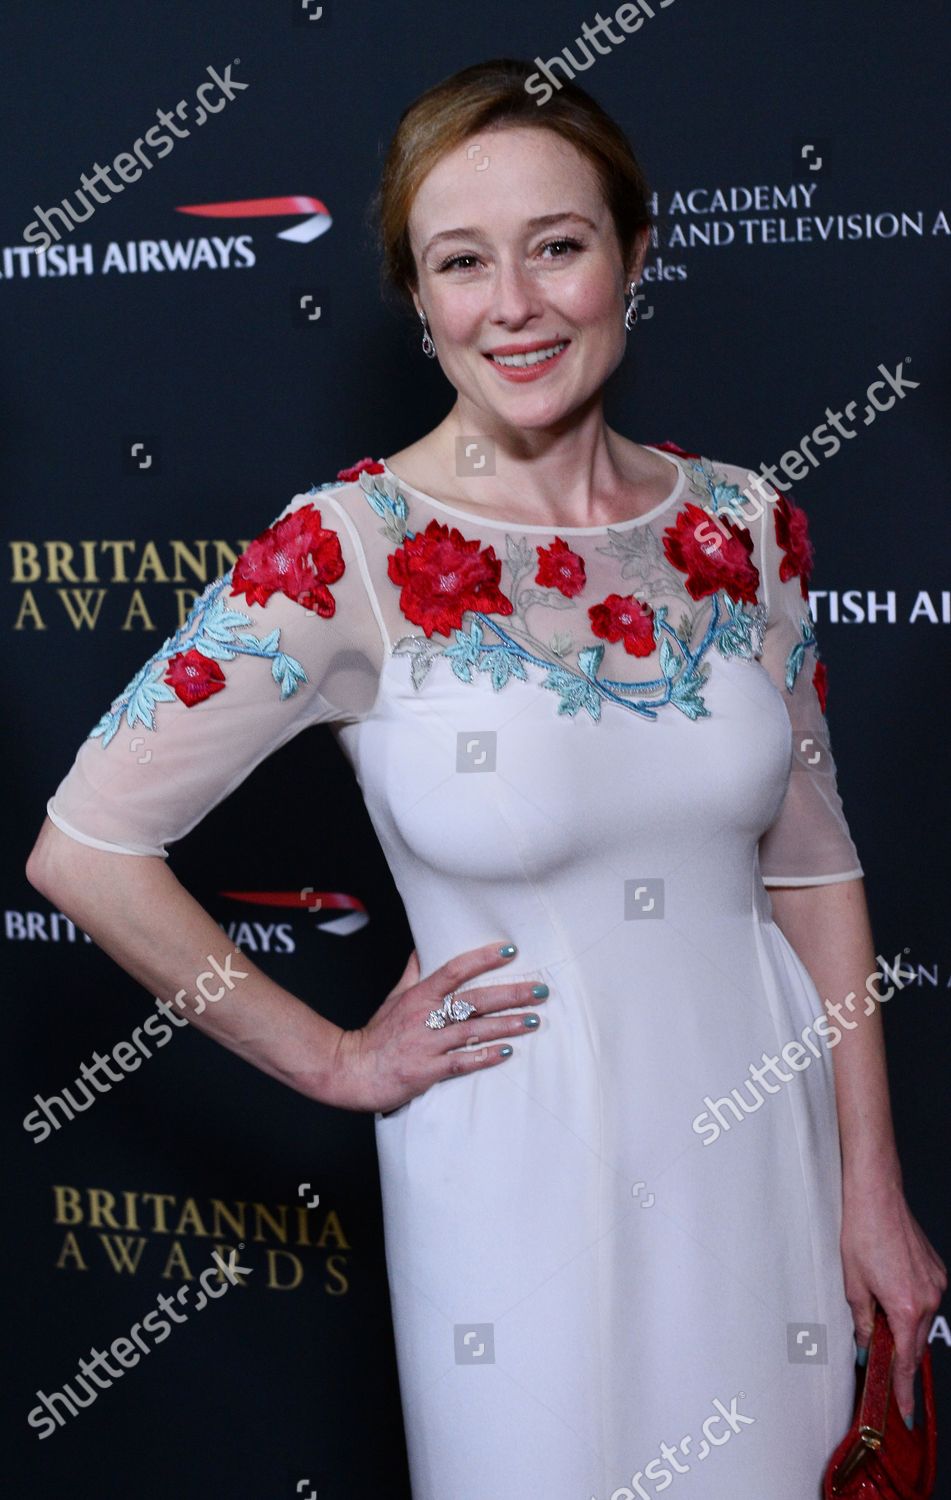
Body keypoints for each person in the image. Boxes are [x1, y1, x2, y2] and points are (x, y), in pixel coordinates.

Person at [27, 57, 944, 1500]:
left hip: (766, 1162)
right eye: (464, 263)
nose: (514, 304)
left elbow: (815, 867)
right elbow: (82, 852)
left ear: (635, 260)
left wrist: (872, 1190)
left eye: (558, 247)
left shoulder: (746, 525)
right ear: (418, 299)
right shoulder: (348, 552)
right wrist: (330, 1059)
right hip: (520, 1187)